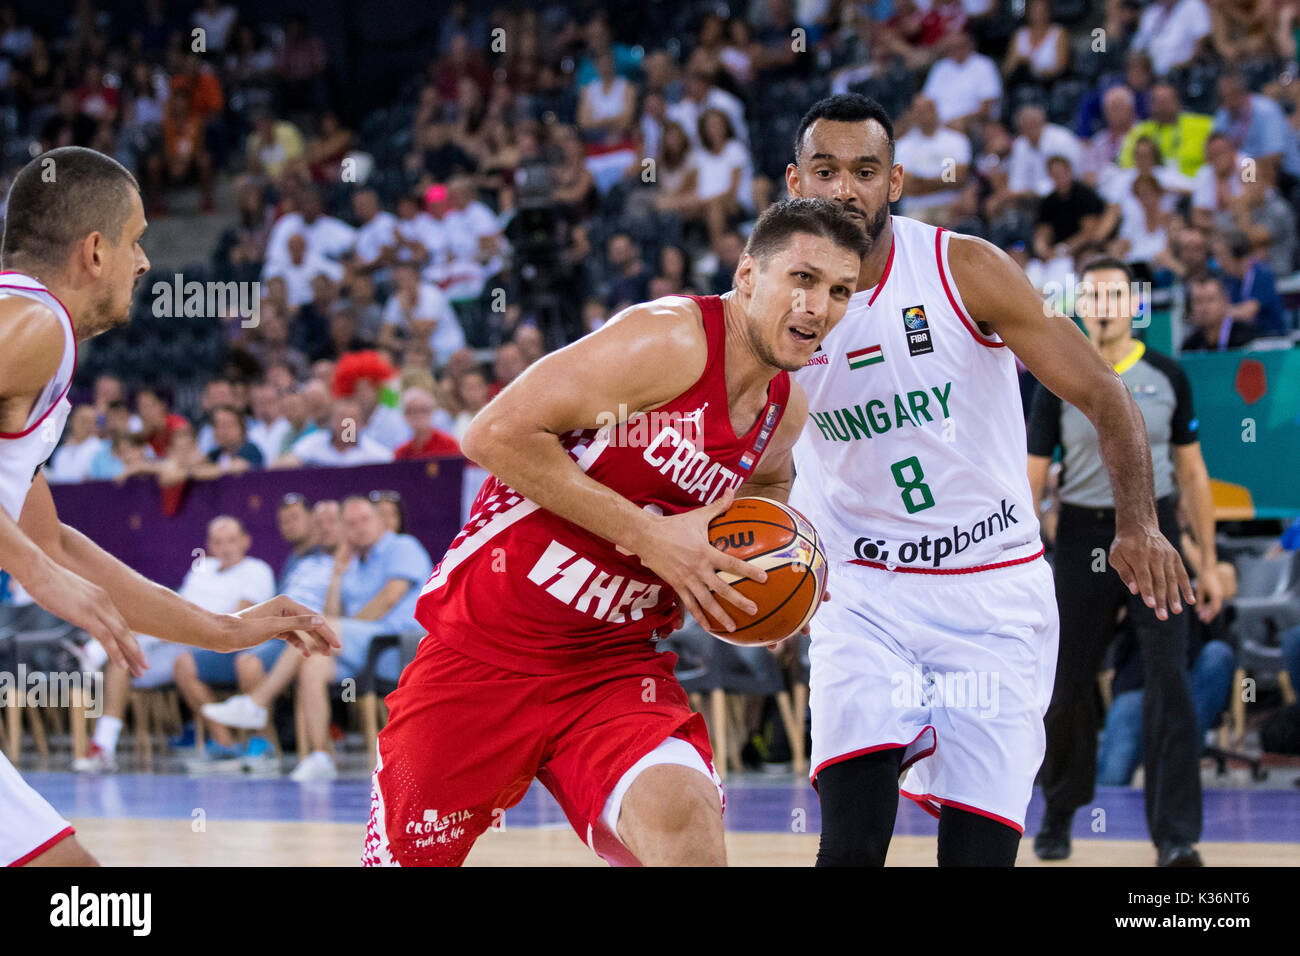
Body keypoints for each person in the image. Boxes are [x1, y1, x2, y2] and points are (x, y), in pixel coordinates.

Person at [363, 198, 867, 867]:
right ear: (749, 275)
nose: (818, 306)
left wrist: (760, 568)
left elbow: (768, 491)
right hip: (487, 647)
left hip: (613, 666)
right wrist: (651, 538)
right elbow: (490, 434)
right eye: (802, 279)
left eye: (839, 291)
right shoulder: (668, 339)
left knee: (685, 827)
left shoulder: (784, 411)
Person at [778, 94, 1191, 867]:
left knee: (976, 859)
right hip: (865, 598)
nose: (845, 190)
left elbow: (1105, 392)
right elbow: (758, 453)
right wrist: (769, 562)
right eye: (826, 171)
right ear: (794, 180)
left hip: (994, 597)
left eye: (865, 171)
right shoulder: (774, 307)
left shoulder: (963, 268)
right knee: (850, 845)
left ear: (895, 182)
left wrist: (1140, 523)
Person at [0, 146, 337, 866]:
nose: (146, 261)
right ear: (95, 250)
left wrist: (219, 630)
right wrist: (34, 567)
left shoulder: (31, 339)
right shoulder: (40, 325)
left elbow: (50, 543)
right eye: (136, 239)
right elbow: (39, 559)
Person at [1027, 256, 1220, 866]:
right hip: (1083, 535)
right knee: (1066, 686)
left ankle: (1176, 837)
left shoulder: (1167, 374)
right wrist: (1025, 553)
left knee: (1171, 685)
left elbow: (1192, 471)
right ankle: (1058, 814)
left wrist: (1209, 562)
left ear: (1133, 305)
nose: (1103, 304)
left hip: (1155, 535)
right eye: (1092, 294)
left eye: (1115, 294)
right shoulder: (1056, 375)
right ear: (1080, 305)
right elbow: (1030, 476)